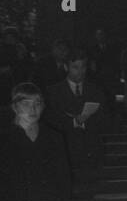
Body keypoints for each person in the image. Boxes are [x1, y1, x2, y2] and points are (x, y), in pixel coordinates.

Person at [0, 83, 72, 201]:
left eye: (38, 103)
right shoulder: (3, 139)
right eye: (26, 104)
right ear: (14, 107)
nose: (33, 109)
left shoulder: (54, 137)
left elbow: (63, 178)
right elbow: (0, 182)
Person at [46, 47, 109, 175]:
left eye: (83, 67)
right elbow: (51, 121)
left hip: (91, 151)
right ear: (66, 67)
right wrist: (74, 122)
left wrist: (86, 121)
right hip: (64, 151)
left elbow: (105, 120)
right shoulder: (53, 92)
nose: (80, 72)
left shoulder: (96, 90)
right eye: (75, 67)